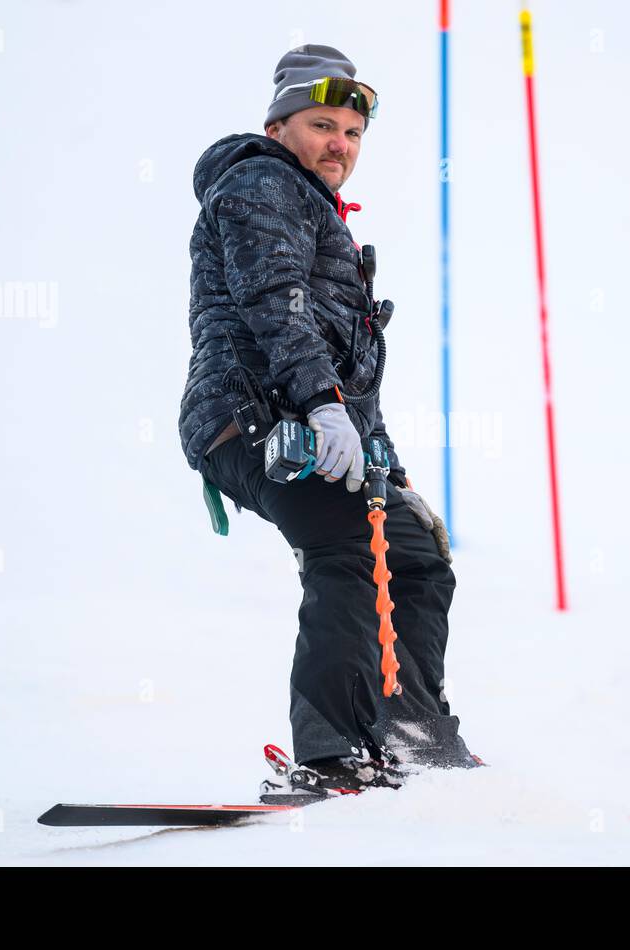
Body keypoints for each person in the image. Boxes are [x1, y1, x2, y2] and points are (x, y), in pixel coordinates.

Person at [178, 44, 478, 791]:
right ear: (279, 126)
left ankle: (411, 737)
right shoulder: (257, 182)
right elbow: (273, 299)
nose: (338, 144)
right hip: (248, 416)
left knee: (412, 554)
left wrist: (393, 475)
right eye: (321, 125)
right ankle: (330, 754)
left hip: (316, 423)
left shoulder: (320, 212)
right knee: (347, 549)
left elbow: (354, 384)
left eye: (351, 132)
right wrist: (317, 403)